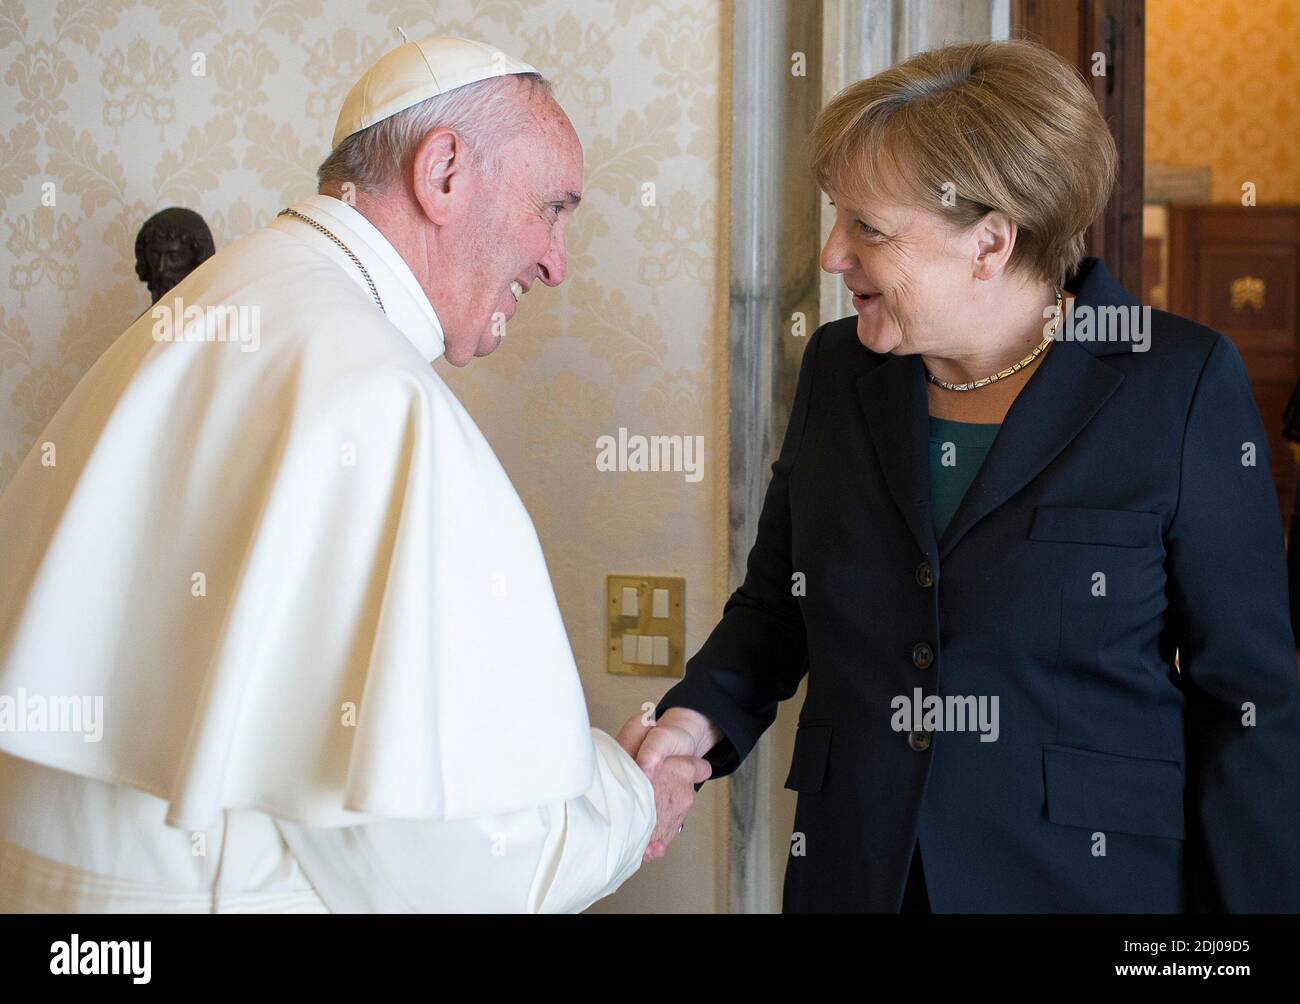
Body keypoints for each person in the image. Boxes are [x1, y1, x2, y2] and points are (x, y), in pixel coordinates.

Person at [0, 35, 708, 913]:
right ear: (443, 171)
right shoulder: (374, 398)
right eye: (552, 209)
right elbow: (451, 868)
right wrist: (633, 800)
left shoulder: (226, 301)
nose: (557, 264)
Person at [623, 39, 1300, 911]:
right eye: (839, 216)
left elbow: (1246, 700)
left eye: (868, 226)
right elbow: (775, 610)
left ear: (989, 244)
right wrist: (688, 727)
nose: (832, 256)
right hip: (855, 876)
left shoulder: (1177, 382)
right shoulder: (840, 368)